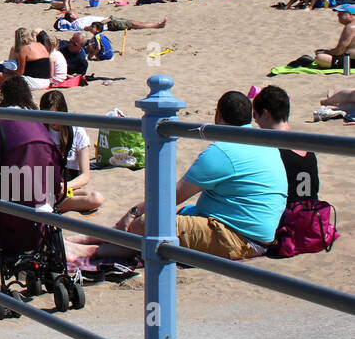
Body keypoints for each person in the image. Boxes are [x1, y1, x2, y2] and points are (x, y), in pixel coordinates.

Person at [68, 91, 285, 261]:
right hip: (256, 234)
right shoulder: (262, 141)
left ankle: (89, 250)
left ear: (218, 115)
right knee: (166, 220)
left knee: (145, 224)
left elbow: (173, 196)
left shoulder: (223, 151)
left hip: (238, 237)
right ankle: (86, 240)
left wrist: (133, 212)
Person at [39, 90, 104, 214]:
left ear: (62, 112)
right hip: (45, 183)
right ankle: (55, 204)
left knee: (96, 198)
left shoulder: (77, 131)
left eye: (54, 115)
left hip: (68, 186)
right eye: (46, 115)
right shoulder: (41, 128)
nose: (51, 120)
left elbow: (85, 176)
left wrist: (65, 186)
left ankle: (56, 205)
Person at [252, 86, 316, 205]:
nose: (255, 120)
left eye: (255, 115)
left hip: (287, 218)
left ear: (266, 113)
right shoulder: (308, 148)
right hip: (311, 216)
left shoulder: (272, 153)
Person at [286, 4, 355, 69]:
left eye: (341, 13)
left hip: (351, 61)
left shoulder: (350, 27)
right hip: (350, 58)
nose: (338, 15)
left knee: (320, 57)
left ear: (351, 14)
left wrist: (326, 52)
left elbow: (339, 50)